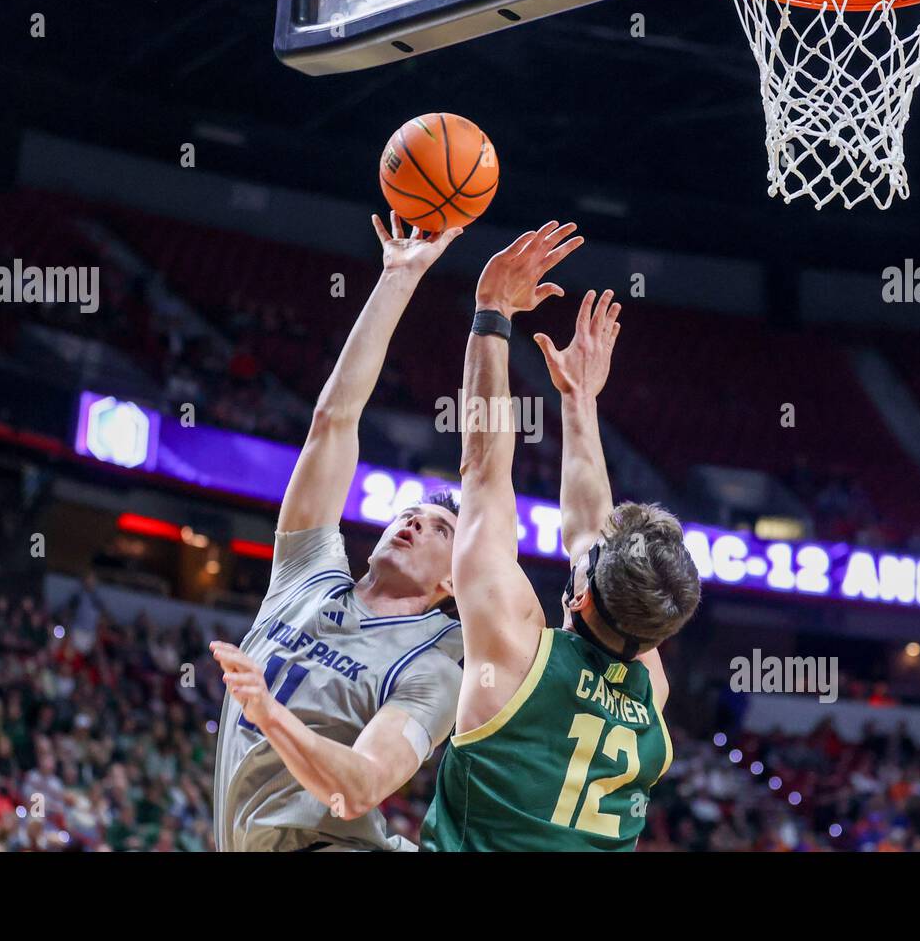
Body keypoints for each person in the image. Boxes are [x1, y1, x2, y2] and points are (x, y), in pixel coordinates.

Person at [421, 222, 702, 850]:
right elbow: (593, 540)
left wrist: (491, 315)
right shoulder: (649, 688)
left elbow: (485, 469)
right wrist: (579, 403)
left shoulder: (514, 651)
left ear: (578, 596)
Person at [210, 213, 465, 851]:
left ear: (453, 581)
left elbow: (360, 786)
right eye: (412, 512)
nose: (414, 520)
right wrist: (398, 280)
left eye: (439, 528)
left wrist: (267, 712)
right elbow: (333, 421)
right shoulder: (306, 573)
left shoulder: (434, 668)